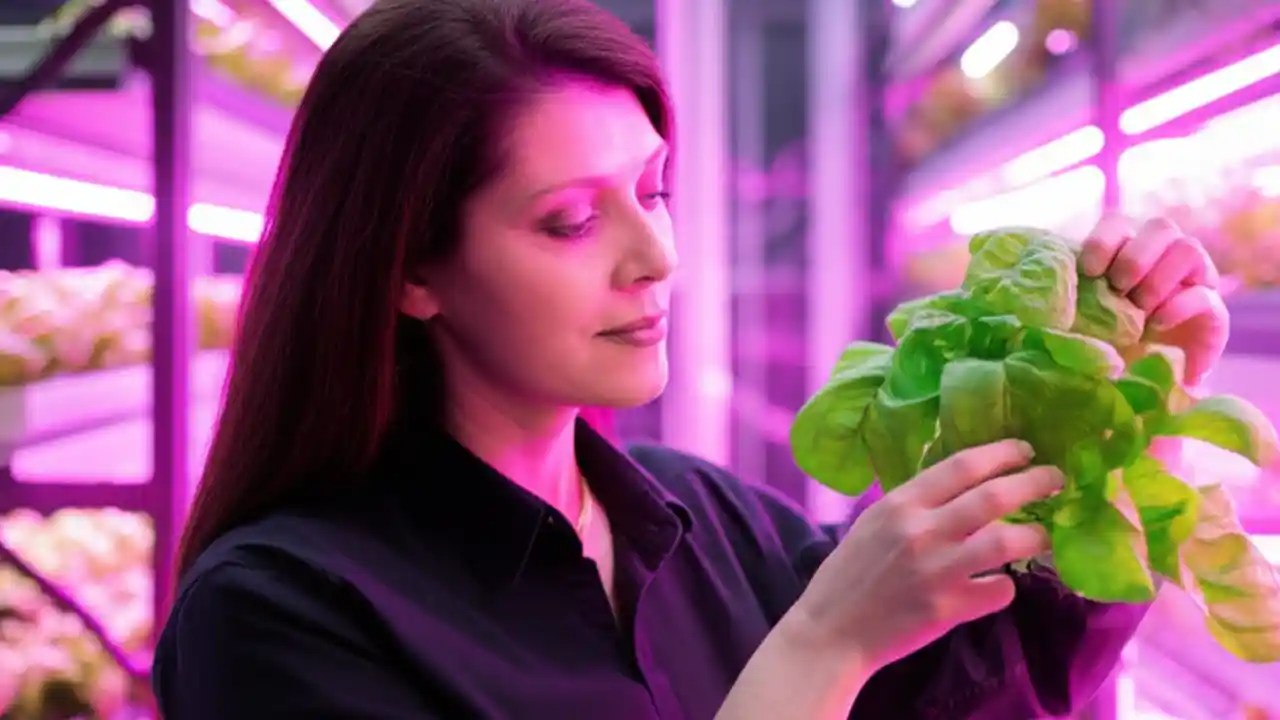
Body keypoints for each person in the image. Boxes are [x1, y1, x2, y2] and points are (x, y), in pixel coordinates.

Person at [151, 0, 1231, 718]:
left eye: (653, 191)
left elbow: (986, 696)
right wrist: (819, 645)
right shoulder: (275, 616)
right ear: (408, 270)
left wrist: (1123, 401)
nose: (655, 255)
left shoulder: (698, 520)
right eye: (569, 221)